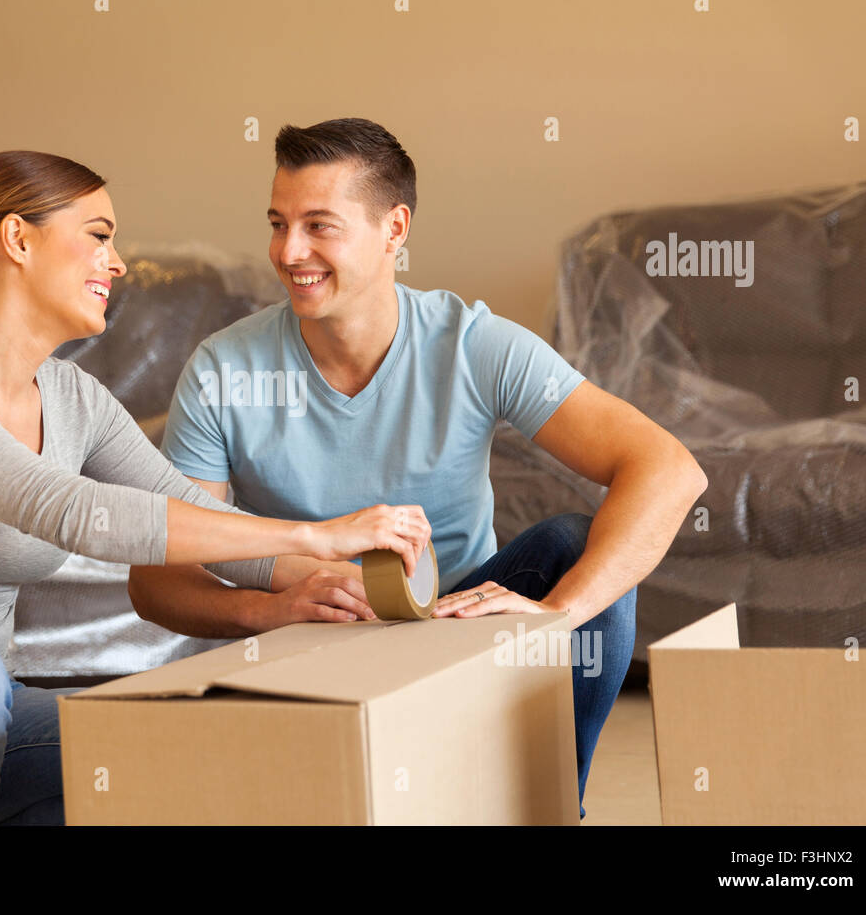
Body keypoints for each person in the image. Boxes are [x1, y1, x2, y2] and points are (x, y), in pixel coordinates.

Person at [0, 149, 431, 826]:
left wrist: (348, 578)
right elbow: (70, 510)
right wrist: (315, 530)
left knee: (151, 737)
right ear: (18, 239)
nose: (118, 261)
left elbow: (189, 514)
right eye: (99, 237)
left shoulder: (76, 399)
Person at [128, 118, 709, 820]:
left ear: (394, 229)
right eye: (278, 223)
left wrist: (559, 613)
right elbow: (158, 574)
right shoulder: (225, 369)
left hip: (452, 623)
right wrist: (268, 608)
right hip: (305, 643)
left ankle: (554, 807)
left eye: (319, 225)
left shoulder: (473, 344)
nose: (289, 251)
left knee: (574, 542)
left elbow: (667, 468)